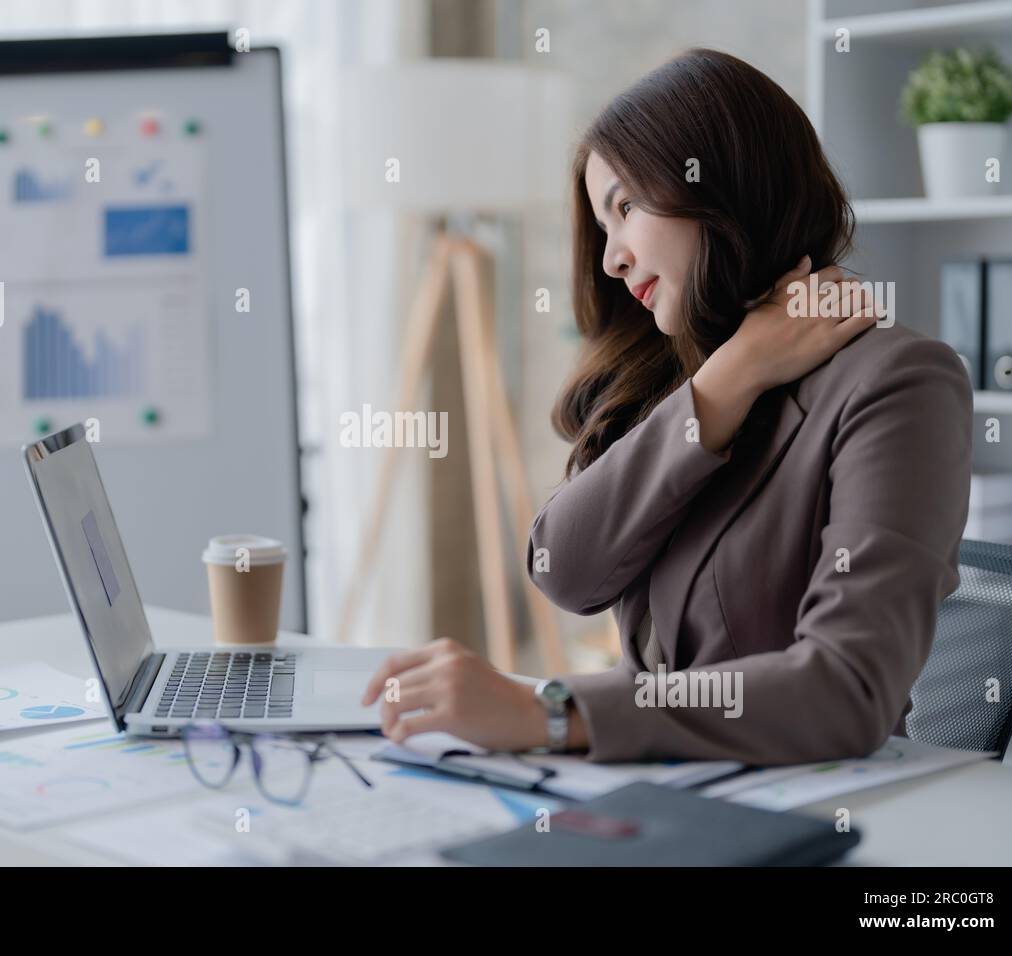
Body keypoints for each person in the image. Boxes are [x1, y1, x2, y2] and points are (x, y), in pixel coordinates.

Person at [362, 48, 972, 765]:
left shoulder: (900, 382)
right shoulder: (685, 373)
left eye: (625, 207)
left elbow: (847, 688)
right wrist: (730, 379)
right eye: (603, 225)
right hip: (661, 786)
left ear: (722, 182)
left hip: (815, 804)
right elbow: (565, 570)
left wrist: (550, 712)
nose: (611, 259)